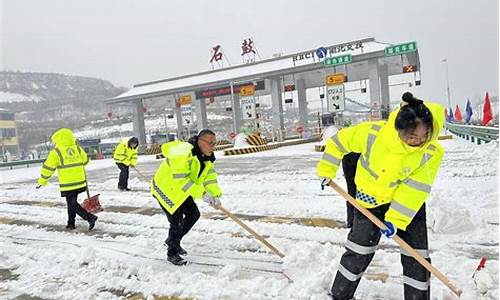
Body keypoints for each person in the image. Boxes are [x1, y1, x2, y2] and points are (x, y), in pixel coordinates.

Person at [317, 92, 445, 300]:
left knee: (416, 257)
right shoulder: (372, 134)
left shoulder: (430, 152)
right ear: (398, 129)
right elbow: (338, 143)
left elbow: (415, 189)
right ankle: (340, 295)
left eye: (424, 136)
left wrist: (396, 219)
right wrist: (326, 171)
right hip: (370, 200)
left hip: (407, 206)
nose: (419, 142)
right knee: (359, 251)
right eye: (412, 137)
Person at [151, 129, 223, 265]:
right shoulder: (183, 153)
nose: (213, 147)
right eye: (211, 143)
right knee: (176, 221)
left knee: (193, 214)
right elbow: (181, 180)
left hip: (180, 190)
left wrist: (214, 195)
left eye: (215, 143)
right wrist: (202, 194)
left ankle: (172, 241)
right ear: (200, 142)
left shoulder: (206, 157)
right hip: (166, 189)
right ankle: (172, 253)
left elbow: (209, 178)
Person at [36, 128, 98, 231]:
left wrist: (42, 180)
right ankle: (71, 223)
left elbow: (48, 168)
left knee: (72, 203)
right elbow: (86, 161)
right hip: (80, 182)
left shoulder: (56, 152)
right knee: (72, 203)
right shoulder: (77, 148)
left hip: (68, 183)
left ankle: (90, 217)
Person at [340, 152, 360, 228]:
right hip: (362, 157)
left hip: (348, 156)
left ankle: (352, 221)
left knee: (352, 190)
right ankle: (354, 221)